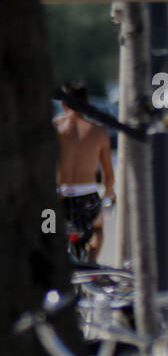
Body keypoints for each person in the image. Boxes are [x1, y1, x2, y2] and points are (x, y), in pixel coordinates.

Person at [54, 83, 115, 263]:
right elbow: (108, 176)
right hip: (87, 197)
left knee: (46, 232)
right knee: (97, 229)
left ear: (64, 105)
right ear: (87, 103)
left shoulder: (54, 129)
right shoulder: (99, 132)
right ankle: (91, 263)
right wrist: (108, 194)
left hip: (57, 198)